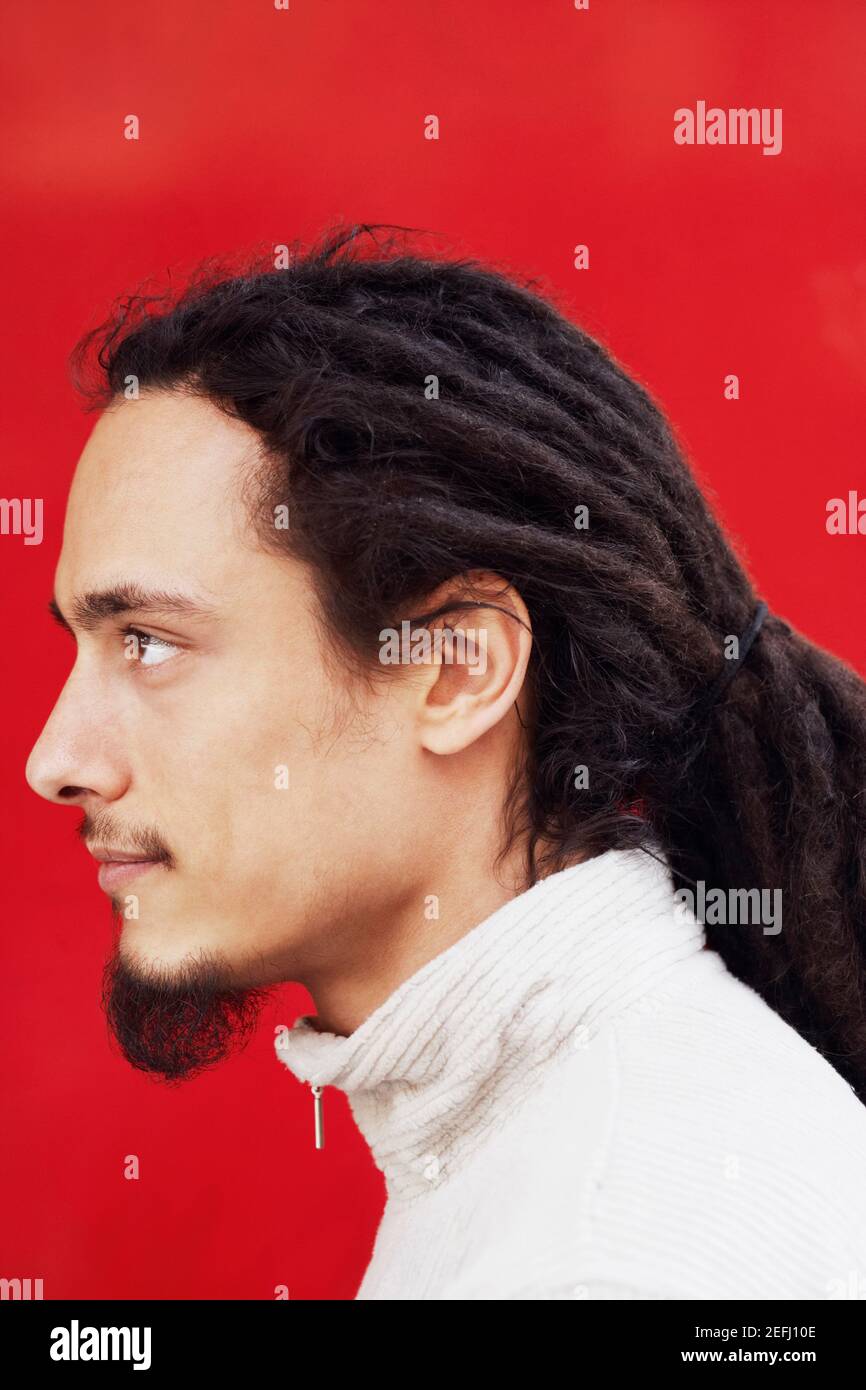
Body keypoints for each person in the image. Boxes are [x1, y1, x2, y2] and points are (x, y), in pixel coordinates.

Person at [26, 223, 866, 1299]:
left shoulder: (607, 1253)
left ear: (454, 671)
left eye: (148, 641)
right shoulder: (575, 1152)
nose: (55, 760)